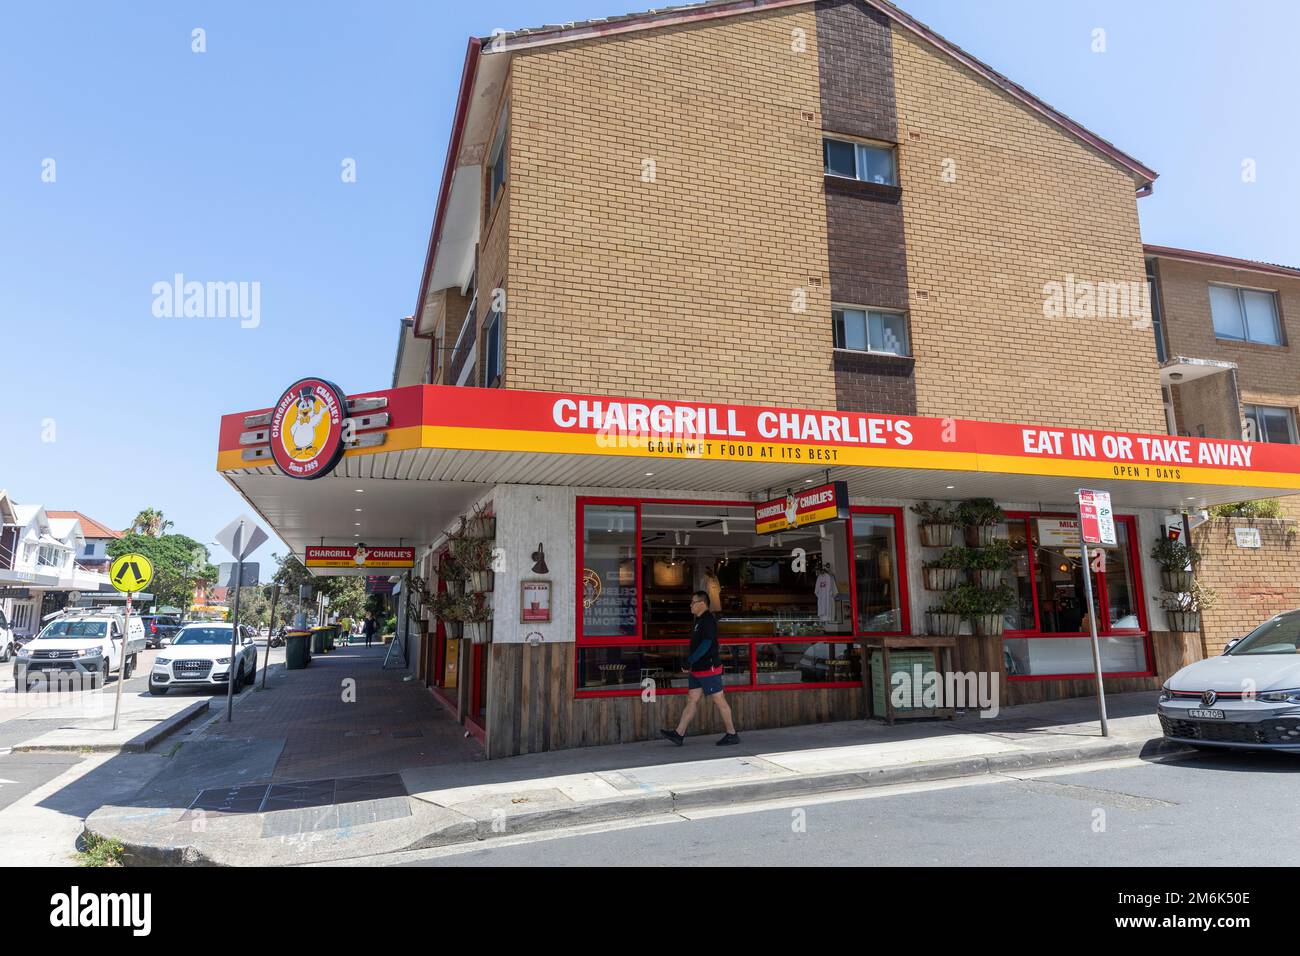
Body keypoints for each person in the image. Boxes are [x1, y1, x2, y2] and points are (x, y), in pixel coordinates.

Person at [661, 590, 739, 746]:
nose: (690, 605)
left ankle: (732, 734)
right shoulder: (698, 620)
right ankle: (679, 733)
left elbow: (707, 643)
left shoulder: (708, 620)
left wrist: (690, 660)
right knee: (692, 700)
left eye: (693, 602)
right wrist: (692, 663)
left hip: (708, 668)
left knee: (719, 700)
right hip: (697, 670)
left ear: (702, 603)